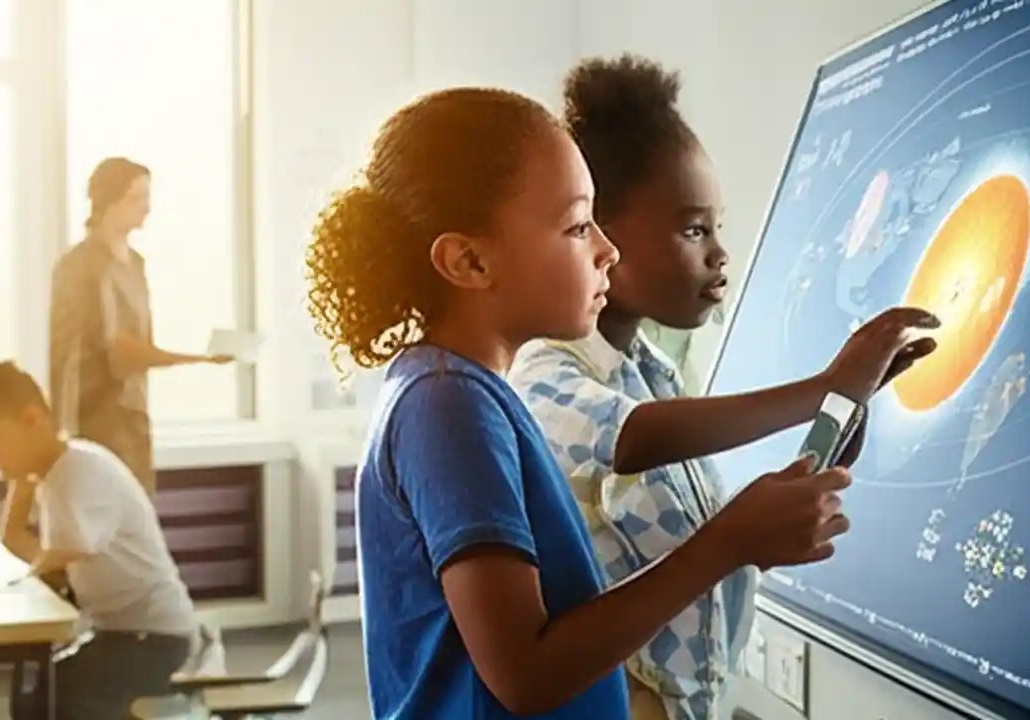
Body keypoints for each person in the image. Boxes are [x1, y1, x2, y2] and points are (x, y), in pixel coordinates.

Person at [304, 85, 859, 720]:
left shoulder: (464, 393)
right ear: (468, 260)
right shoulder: (447, 405)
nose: (607, 250)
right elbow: (526, 674)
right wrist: (727, 544)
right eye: (576, 225)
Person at [508, 55, 940, 720]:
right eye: (692, 229)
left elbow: (693, 542)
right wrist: (823, 384)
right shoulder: (543, 368)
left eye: (718, 226)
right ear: (605, 243)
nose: (719, 253)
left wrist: (816, 446)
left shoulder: (652, 371)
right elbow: (630, 440)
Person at [0, 361, 196, 720]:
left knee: (51, 699)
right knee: (35, 696)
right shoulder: (54, 473)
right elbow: (23, 547)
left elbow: (53, 563)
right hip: (119, 632)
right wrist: (21, 484)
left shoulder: (80, 472)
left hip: (154, 638)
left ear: (32, 419)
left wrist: (21, 546)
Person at [49, 157, 233, 495]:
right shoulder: (83, 265)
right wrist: (200, 360)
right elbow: (120, 353)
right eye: (137, 198)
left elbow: (139, 344)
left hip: (132, 416)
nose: (147, 208)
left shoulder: (134, 264)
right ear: (108, 200)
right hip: (94, 421)